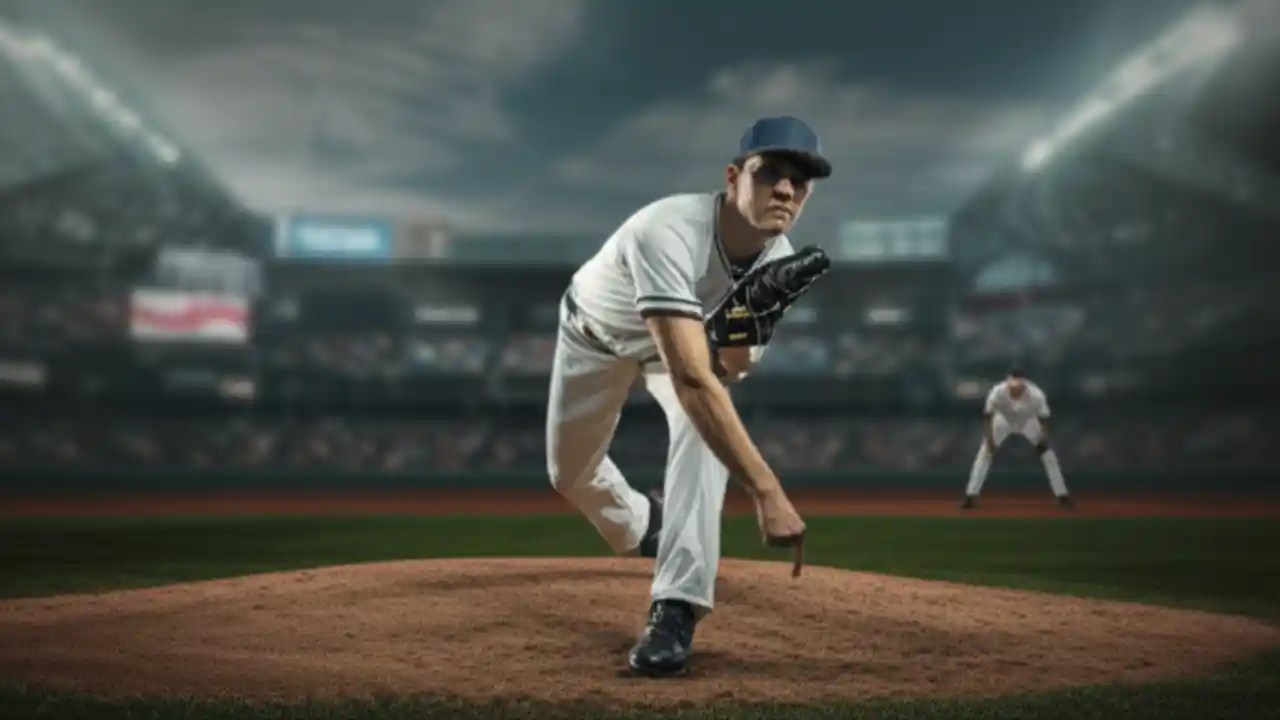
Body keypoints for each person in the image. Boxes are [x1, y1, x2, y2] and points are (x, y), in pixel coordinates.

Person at [545, 116, 831, 677]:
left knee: (707, 429)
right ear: (732, 177)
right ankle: (641, 524)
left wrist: (752, 323)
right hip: (595, 336)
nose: (784, 189)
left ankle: (676, 604)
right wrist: (767, 491)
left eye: (800, 182)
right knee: (568, 473)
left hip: (685, 349)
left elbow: (730, 369)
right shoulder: (667, 229)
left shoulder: (780, 260)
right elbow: (694, 379)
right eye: (768, 172)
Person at [961, 366, 1074, 509]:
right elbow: (988, 417)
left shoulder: (1036, 394)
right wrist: (990, 441)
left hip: (1028, 421)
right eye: (1013, 384)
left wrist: (1043, 439)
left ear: (1025, 383)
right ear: (1008, 382)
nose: (1016, 388)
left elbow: (1043, 419)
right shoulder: (997, 392)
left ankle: (1062, 495)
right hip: (1002, 421)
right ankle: (971, 495)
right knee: (984, 453)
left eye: (1019, 385)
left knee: (1048, 454)